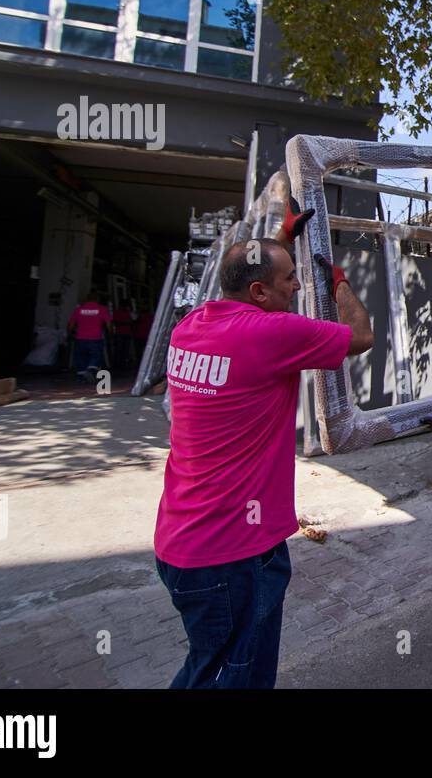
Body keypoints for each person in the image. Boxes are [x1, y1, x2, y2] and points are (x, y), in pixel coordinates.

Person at [154, 211, 374, 689]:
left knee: (214, 666)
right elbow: (362, 337)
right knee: (230, 676)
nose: (298, 287)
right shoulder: (271, 335)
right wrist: (338, 285)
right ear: (259, 292)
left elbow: (248, 284)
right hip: (232, 555)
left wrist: (281, 237)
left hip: (182, 542)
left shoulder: (193, 326)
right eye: (290, 280)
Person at [67, 292, 111, 381]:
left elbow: (71, 324)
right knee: (95, 356)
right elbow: (108, 324)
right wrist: (110, 333)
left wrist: (70, 333)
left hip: (80, 338)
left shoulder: (79, 309)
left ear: (87, 299)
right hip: (95, 338)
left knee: (81, 357)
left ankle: (82, 375)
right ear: (97, 299)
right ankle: (91, 370)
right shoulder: (102, 309)